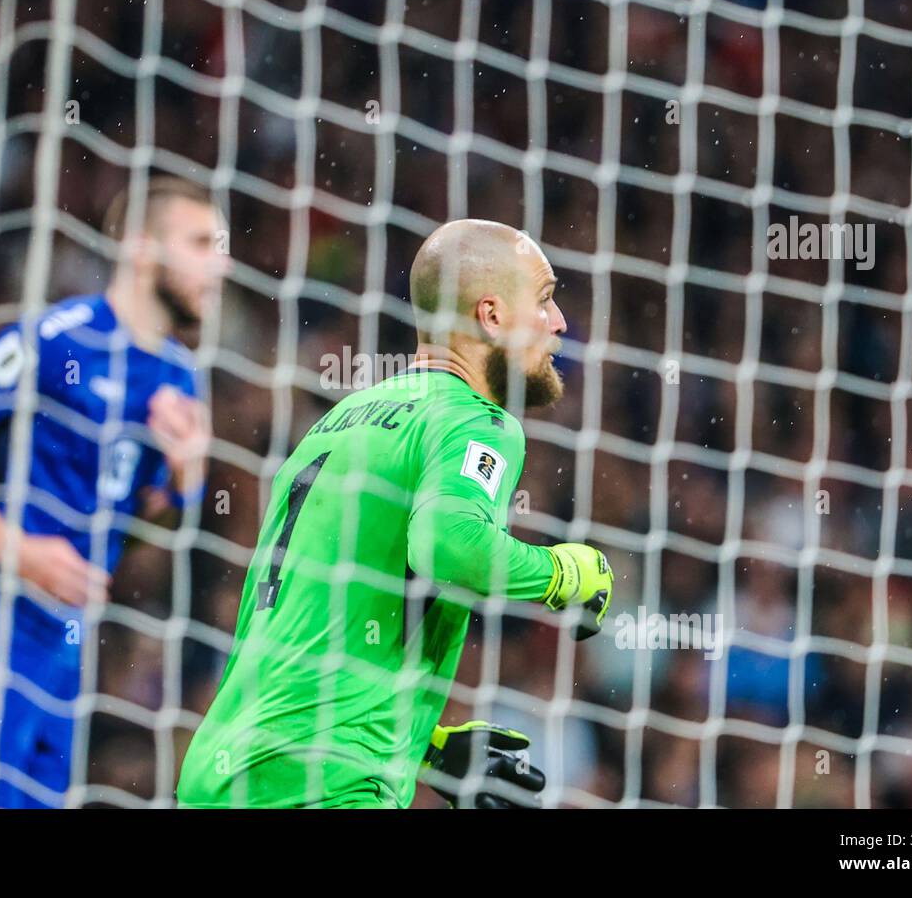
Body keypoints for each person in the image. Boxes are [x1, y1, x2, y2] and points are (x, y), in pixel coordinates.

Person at [177, 219, 614, 809]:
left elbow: (312, 623)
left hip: (223, 767)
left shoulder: (339, 421)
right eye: (544, 299)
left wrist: (425, 747)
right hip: (324, 781)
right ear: (491, 316)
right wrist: (564, 574)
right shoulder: (475, 420)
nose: (559, 322)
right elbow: (449, 544)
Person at [0, 176, 228, 807]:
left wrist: (185, 482)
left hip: (65, 644)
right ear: (142, 248)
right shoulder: (60, 336)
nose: (221, 261)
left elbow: (144, 536)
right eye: (202, 241)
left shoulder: (181, 378)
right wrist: (16, 548)